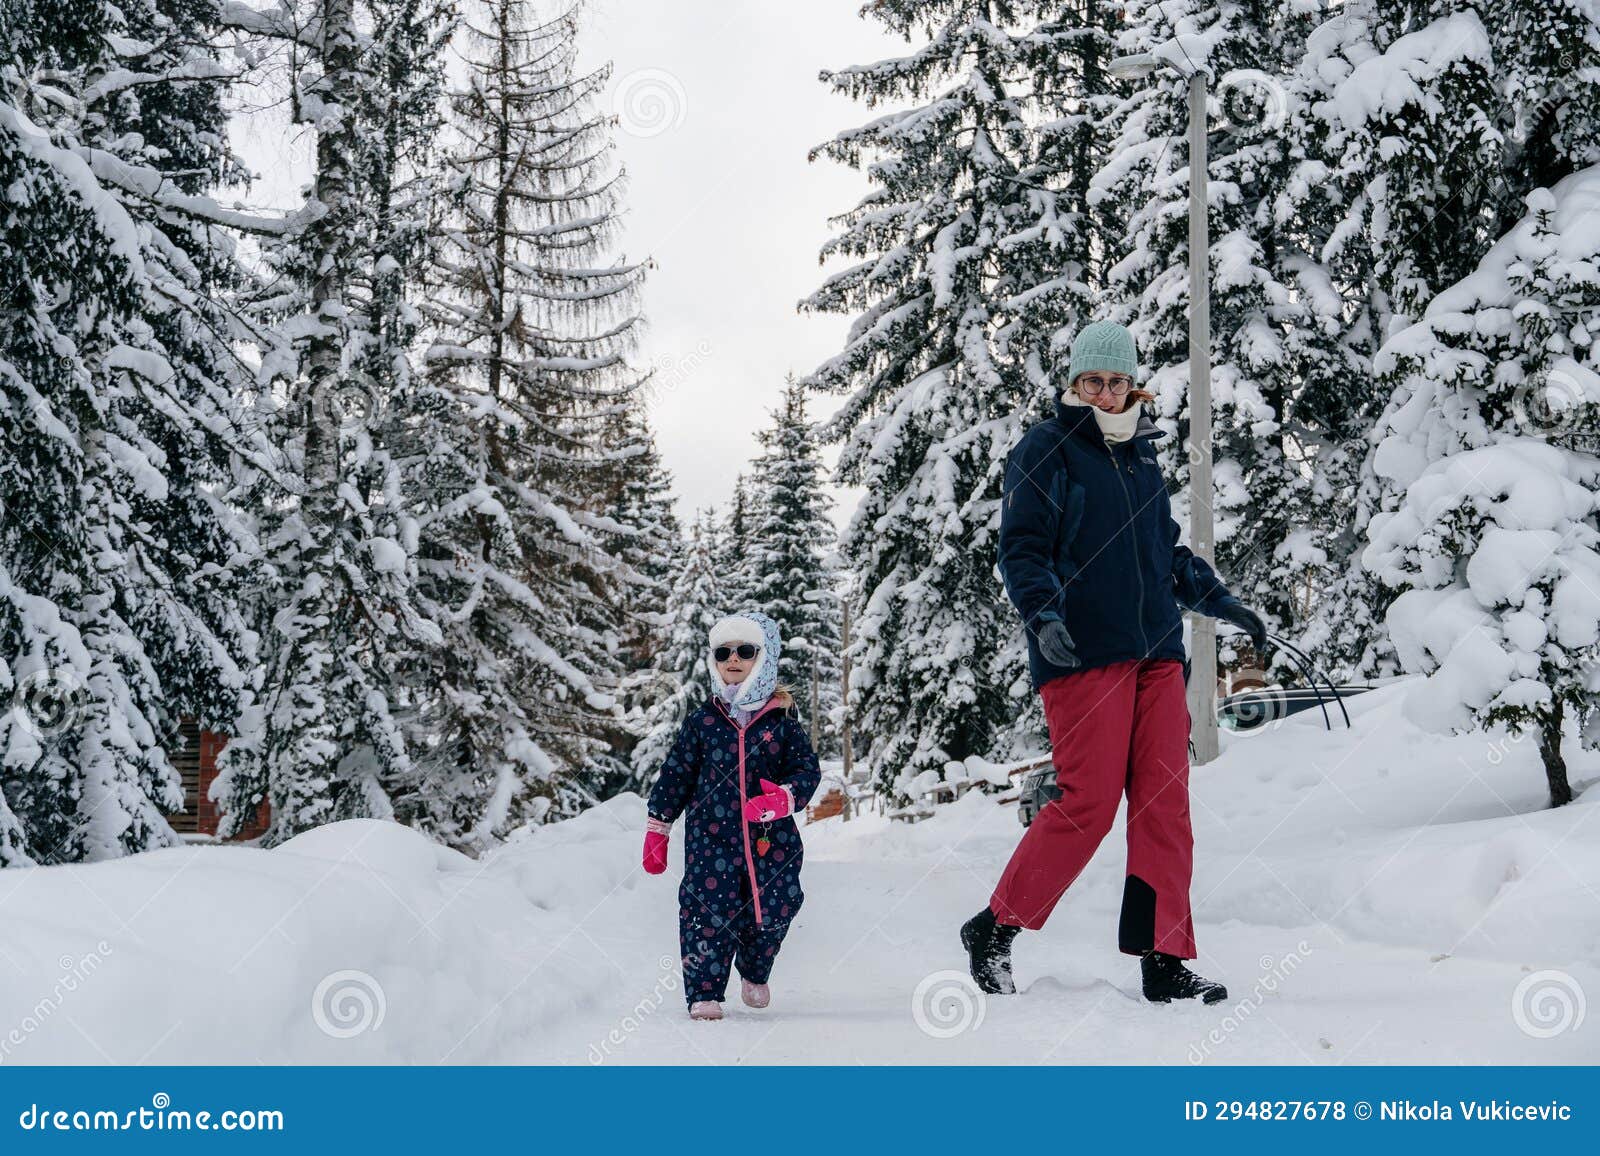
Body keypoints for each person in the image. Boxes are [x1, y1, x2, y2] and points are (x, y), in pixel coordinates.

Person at [960, 320, 1268, 1005]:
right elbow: (1022, 550)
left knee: (1165, 805)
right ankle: (995, 927)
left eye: (1117, 380)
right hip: (1082, 652)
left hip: (1158, 653)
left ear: (1135, 386)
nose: (1105, 391)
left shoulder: (1140, 459)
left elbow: (1165, 553)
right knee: (1088, 804)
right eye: (1093, 381)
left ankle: (1164, 961)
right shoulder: (1045, 450)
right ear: (1074, 384)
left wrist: (1220, 601)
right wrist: (1043, 616)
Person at [642, 610, 821, 1020]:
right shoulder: (704, 722)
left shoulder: (782, 722)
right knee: (706, 911)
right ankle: (704, 991)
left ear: (764, 657)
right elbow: (676, 775)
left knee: (778, 906)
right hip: (711, 841)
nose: (733, 659)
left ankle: (756, 969)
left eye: (745, 650)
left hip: (771, 842)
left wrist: (786, 798)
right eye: (723, 652)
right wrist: (659, 827)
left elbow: (806, 771)